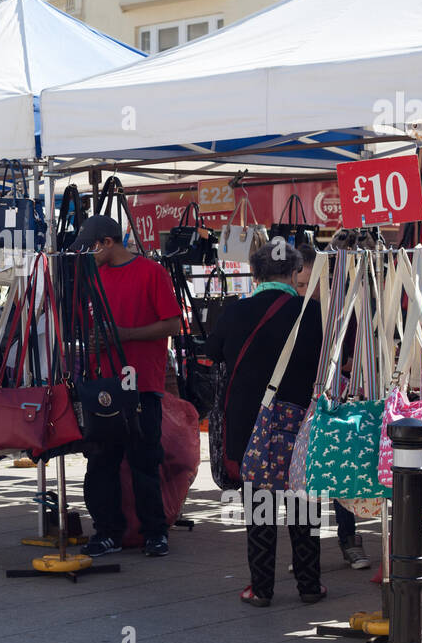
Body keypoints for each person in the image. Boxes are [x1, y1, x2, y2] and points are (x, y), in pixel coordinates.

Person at [207, 241, 325, 606]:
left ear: (255, 274)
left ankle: (261, 588)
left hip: (250, 424)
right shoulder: (314, 313)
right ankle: (309, 585)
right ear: (294, 273)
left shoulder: (235, 312)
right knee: (303, 502)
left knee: (260, 506)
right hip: (301, 421)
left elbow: (213, 354)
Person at [71, 215, 182, 559]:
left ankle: (155, 533)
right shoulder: (90, 278)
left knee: (144, 461)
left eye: (90, 248)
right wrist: (86, 344)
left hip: (141, 384)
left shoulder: (151, 272)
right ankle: (108, 532)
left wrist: (126, 334)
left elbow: (174, 324)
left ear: (106, 242)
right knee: (101, 462)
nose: (87, 255)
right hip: (100, 384)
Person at [296, 240, 370, 571]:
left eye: (308, 283)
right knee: (304, 475)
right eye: (299, 284)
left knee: (342, 468)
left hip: (338, 399)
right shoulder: (295, 312)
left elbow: (356, 355)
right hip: (301, 399)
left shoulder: (343, 310)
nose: (303, 290)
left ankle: (349, 541)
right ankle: (306, 549)